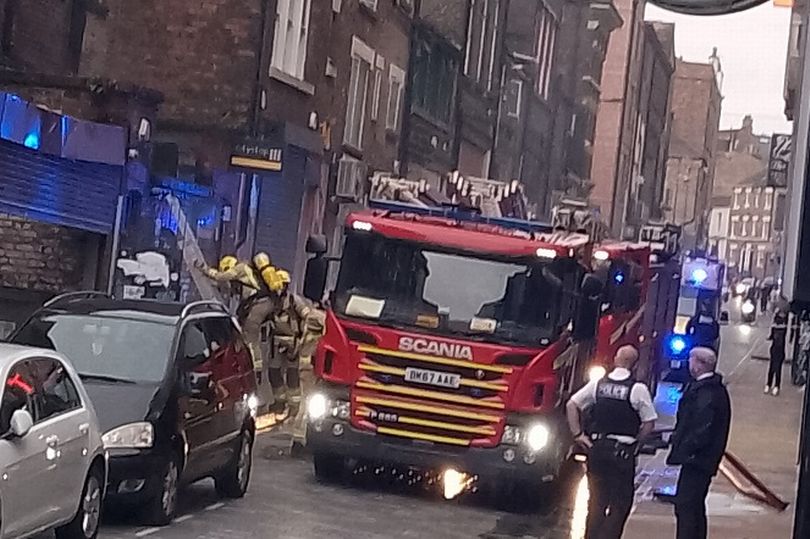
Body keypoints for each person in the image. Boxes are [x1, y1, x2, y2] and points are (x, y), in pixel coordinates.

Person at [566, 345, 658, 539]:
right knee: (619, 504)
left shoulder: (599, 384)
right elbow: (649, 422)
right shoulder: (637, 389)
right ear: (633, 364)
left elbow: (572, 404)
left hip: (597, 450)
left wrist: (578, 435)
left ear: (617, 360)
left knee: (596, 502)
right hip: (622, 454)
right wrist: (637, 444)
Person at [667, 347, 731, 539]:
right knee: (693, 507)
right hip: (701, 460)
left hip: (697, 460)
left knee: (686, 506)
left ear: (699, 364)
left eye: (691, 360)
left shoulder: (707, 393)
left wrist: (684, 448)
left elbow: (702, 428)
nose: (689, 364)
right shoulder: (710, 389)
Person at [197, 255, 278, 374]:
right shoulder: (243, 276)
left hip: (261, 304)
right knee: (240, 331)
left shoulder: (240, 268)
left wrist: (205, 270)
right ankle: (241, 360)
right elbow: (227, 287)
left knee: (250, 332)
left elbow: (221, 277)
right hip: (259, 303)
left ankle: (256, 369)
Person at [267, 270, 319, 420]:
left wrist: (304, 339)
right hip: (276, 342)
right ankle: (280, 402)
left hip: (292, 343)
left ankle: (294, 407)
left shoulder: (293, 300)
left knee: (292, 375)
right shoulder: (272, 301)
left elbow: (307, 316)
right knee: (274, 372)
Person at [765, 309, 788, 396]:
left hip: (779, 351)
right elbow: (771, 337)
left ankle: (776, 386)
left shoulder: (782, 329)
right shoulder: (775, 327)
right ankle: (769, 384)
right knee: (772, 368)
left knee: (777, 369)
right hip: (774, 350)